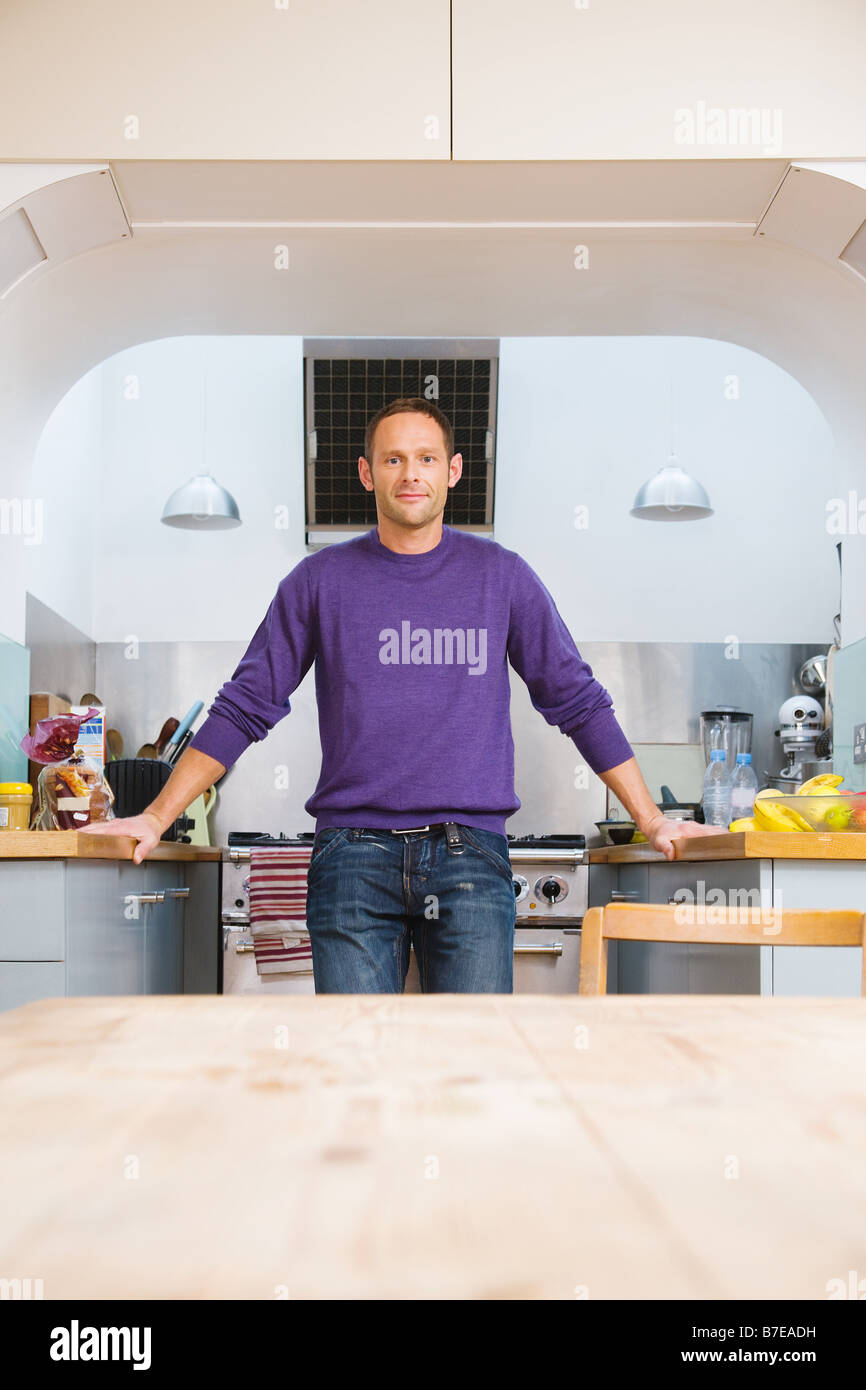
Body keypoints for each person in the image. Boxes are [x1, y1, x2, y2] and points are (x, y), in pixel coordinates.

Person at [81, 397, 721, 992]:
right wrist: (157, 817)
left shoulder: (503, 579)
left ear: (453, 471)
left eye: (425, 458)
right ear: (366, 473)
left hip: (470, 856)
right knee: (357, 1064)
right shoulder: (317, 583)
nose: (409, 474)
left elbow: (576, 699)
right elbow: (246, 704)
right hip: (352, 858)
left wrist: (652, 818)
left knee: (467, 1070)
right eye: (393, 459)